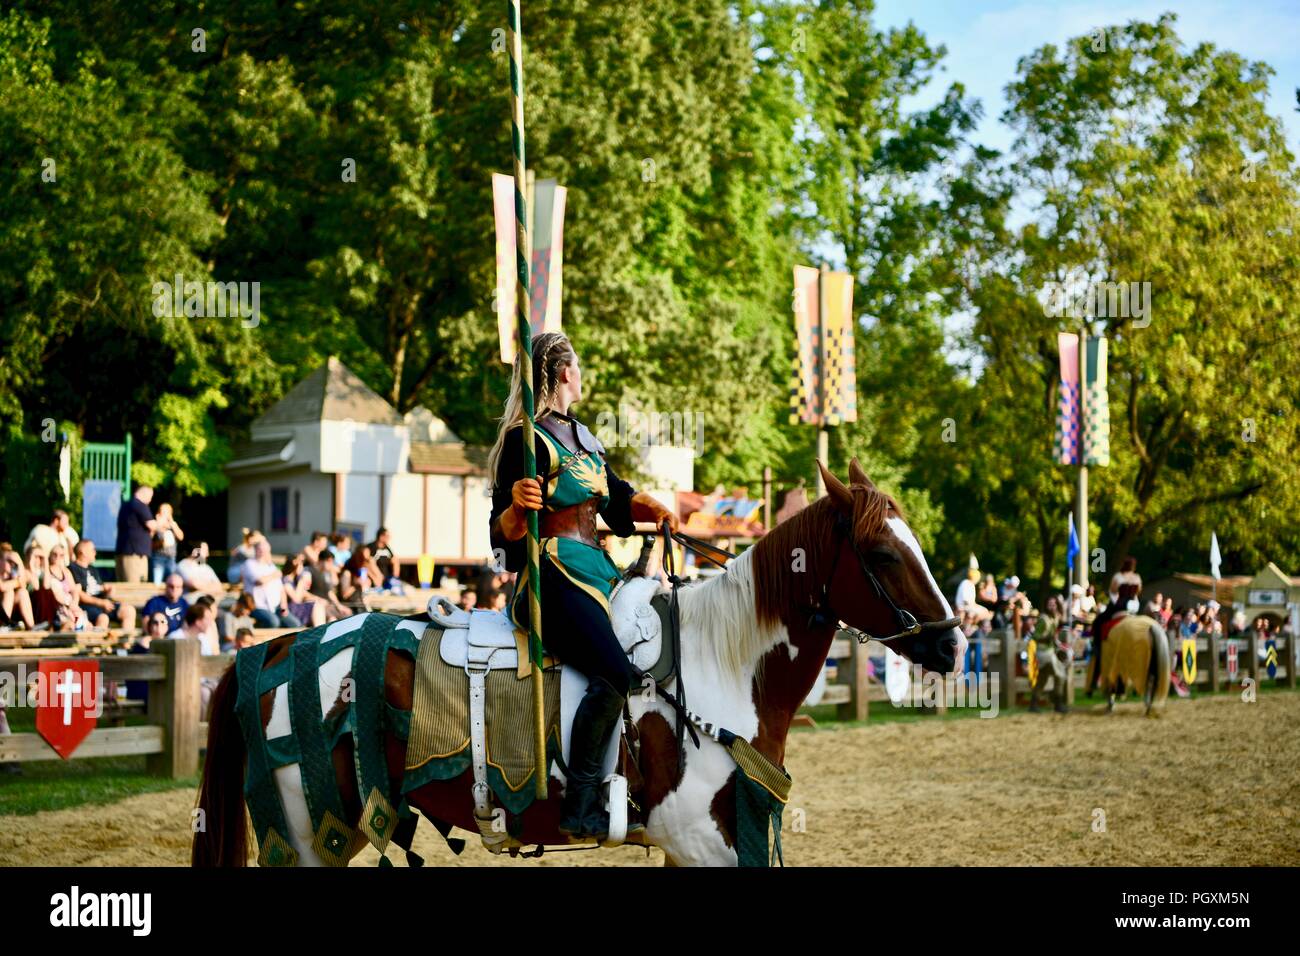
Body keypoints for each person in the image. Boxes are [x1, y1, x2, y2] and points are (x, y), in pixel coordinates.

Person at [487, 331, 678, 840]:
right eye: (579, 366)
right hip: (550, 577)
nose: (582, 373)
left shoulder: (586, 440)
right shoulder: (523, 441)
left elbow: (616, 502)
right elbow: (500, 545)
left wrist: (653, 507)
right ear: (566, 373)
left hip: (598, 570)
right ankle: (581, 804)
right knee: (615, 673)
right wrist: (514, 510)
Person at [1088, 556, 1142, 695]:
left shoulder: (1118, 577)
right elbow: (1137, 593)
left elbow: (1112, 592)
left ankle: (1098, 645)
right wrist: (1134, 604)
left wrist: (1118, 603)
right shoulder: (1137, 578)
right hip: (1133, 606)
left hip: (1121, 606)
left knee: (1099, 621)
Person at [69, 540, 137, 631]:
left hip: (101, 604)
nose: (95, 552)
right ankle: (98, 644)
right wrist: (101, 603)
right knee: (103, 618)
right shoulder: (72, 569)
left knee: (129, 610)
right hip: (86, 606)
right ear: (83, 552)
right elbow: (79, 594)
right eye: (92, 549)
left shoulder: (93, 569)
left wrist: (107, 592)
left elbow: (99, 590)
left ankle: (126, 644)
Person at [241, 539, 302, 628]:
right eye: (262, 550)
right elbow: (259, 581)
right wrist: (275, 574)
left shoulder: (271, 567)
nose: (264, 553)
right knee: (274, 622)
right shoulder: (249, 564)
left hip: (276, 607)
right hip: (256, 606)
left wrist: (284, 606)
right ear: (256, 550)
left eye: (266, 551)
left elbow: (281, 590)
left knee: (295, 624)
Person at [1027, 596, 1070, 714]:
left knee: (1042, 679)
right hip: (1044, 653)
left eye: (1054, 604)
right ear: (1046, 606)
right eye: (1050, 604)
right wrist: (1046, 638)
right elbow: (1035, 636)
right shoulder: (1044, 619)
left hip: (1047, 652)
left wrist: (1057, 644)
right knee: (1060, 675)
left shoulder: (1054, 618)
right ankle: (1058, 704)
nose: (1052, 606)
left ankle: (1033, 704)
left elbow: (1063, 621)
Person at [115, 485, 157, 583]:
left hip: (124, 550)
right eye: (150, 496)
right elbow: (152, 525)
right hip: (135, 554)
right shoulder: (139, 505)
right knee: (135, 585)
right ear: (144, 493)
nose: (150, 500)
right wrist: (162, 523)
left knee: (123, 585)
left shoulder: (126, 505)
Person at [281, 553, 325, 627]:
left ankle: (320, 629)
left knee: (319, 604)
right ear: (294, 566)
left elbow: (304, 593)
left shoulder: (295, 580)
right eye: (300, 565)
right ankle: (319, 629)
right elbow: (296, 599)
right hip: (291, 609)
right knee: (316, 606)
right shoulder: (286, 580)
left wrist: (318, 598)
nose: (302, 568)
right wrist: (301, 581)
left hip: (298, 608)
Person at [0, 547, 37, 631]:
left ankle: (32, 627)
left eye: (13, 562)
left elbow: (24, 584)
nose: (12, 565)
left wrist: (19, 562)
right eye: (9, 561)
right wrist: (17, 582)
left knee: (22, 592)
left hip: (6, 611)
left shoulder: (13, 573)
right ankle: (5, 625)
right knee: (8, 592)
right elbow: (2, 587)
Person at [149, 502, 185, 584]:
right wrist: (158, 525)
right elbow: (148, 540)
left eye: (167, 512)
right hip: (158, 558)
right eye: (163, 512)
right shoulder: (155, 524)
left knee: (172, 582)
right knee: (157, 583)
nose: (165, 514)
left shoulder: (173, 525)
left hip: (171, 559)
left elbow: (181, 537)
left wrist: (172, 523)